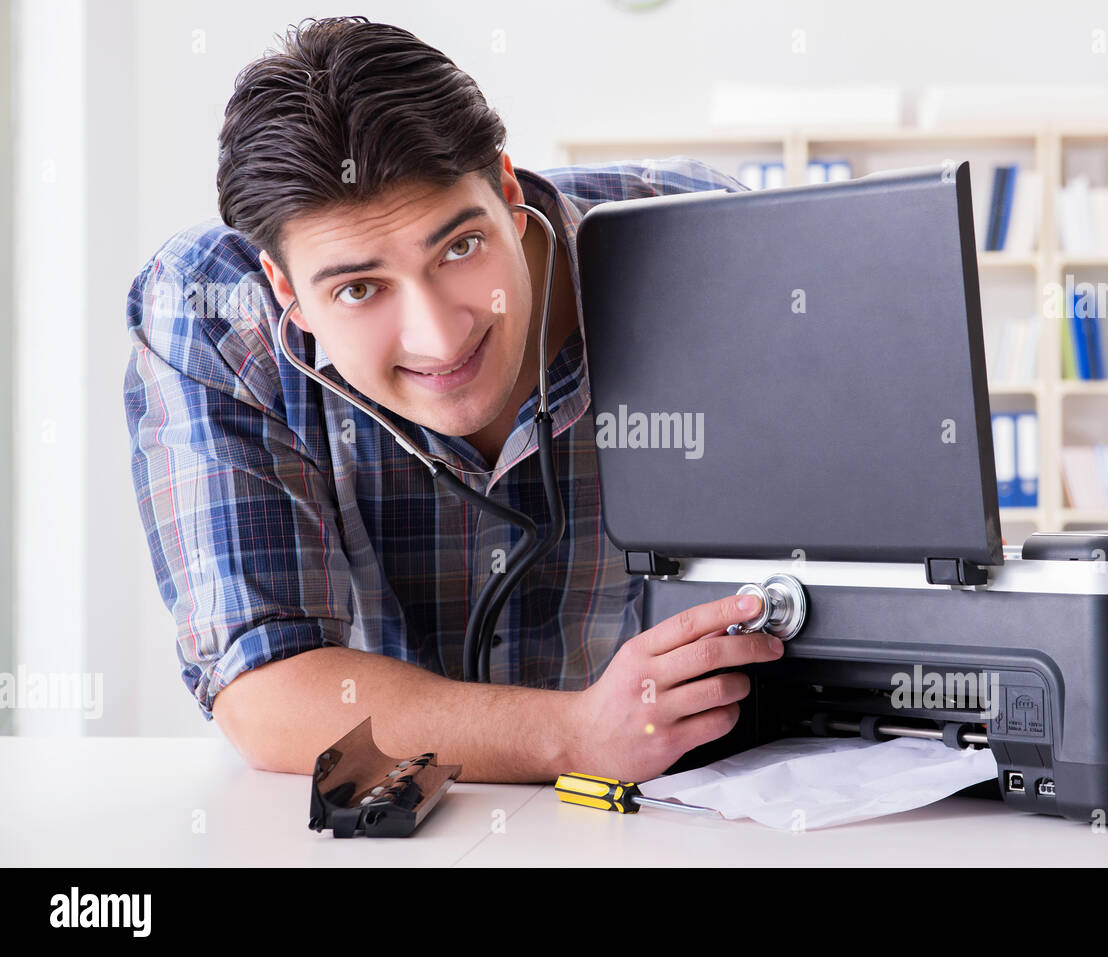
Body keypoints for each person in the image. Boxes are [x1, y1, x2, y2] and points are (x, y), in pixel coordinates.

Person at [122, 16, 782, 782]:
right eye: (360, 288)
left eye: (459, 248)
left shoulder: (700, 237)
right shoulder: (211, 309)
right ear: (285, 292)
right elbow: (268, 690)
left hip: (688, 806)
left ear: (506, 188)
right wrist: (573, 737)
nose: (439, 338)